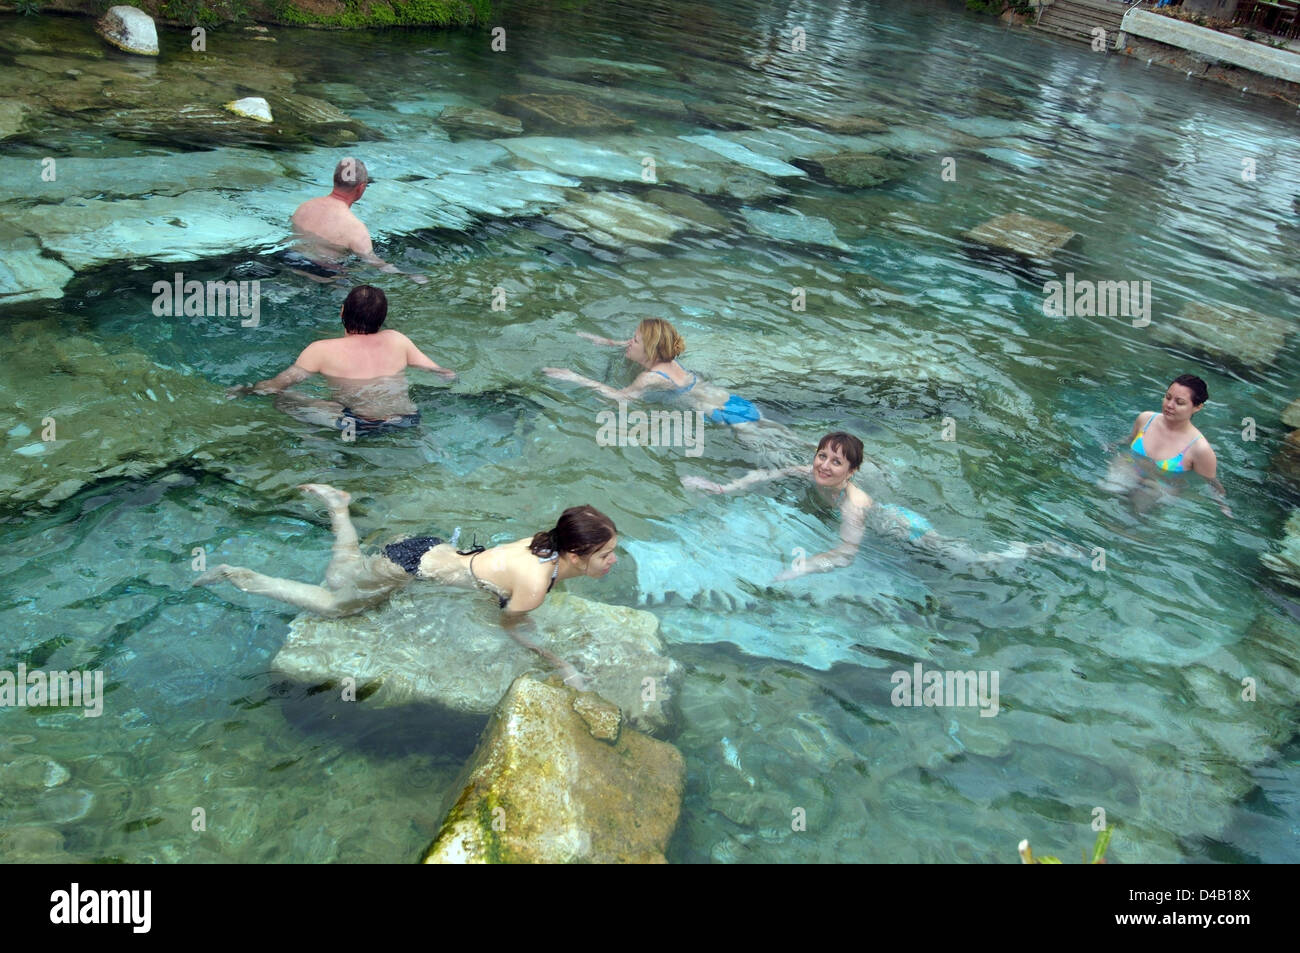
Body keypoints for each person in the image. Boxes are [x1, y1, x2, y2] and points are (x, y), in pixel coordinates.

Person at [193, 484, 619, 688]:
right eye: (605, 555)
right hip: (411, 563)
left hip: (431, 548)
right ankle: (243, 577)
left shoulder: (545, 545)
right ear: (577, 555)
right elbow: (512, 627)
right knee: (335, 602)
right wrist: (562, 665)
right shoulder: (536, 583)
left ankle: (338, 506)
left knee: (343, 575)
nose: (613, 561)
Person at [683, 431, 1077, 579]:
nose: (823, 464)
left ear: (851, 471)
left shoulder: (855, 504)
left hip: (903, 528)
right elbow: (765, 476)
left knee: (968, 560)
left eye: (836, 461)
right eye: (822, 456)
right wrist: (721, 488)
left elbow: (845, 553)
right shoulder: (809, 471)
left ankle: (1034, 550)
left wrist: (802, 568)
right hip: (880, 522)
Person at [543, 318, 838, 471]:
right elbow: (630, 345)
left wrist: (575, 378)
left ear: (647, 351)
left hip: (724, 419)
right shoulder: (668, 360)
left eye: (634, 340)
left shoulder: (649, 378)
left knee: (784, 461)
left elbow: (620, 398)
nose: (628, 342)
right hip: (735, 403)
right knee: (793, 440)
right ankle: (837, 458)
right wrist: (603, 341)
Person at [226, 285, 455, 434]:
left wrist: (247, 390)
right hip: (408, 419)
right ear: (383, 318)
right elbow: (442, 372)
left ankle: (319, 444)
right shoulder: (397, 340)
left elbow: (276, 386)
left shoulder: (321, 350)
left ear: (342, 311)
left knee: (283, 400)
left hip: (360, 426)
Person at [1102, 374, 1230, 516]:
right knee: (1106, 499)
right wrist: (1111, 445)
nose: (1169, 405)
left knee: (1136, 515)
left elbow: (1212, 483)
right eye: (1168, 397)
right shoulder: (1145, 419)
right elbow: (1129, 439)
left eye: (1179, 402)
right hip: (1129, 468)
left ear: (1197, 407)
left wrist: (1223, 506)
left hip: (1160, 486)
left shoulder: (1200, 449)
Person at [287, 157, 427, 285]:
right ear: (361, 187)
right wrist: (408, 275)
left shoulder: (305, 207)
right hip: (322, 277)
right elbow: (376, 264)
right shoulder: (355, 229)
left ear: (334, 180)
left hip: (289, 262)